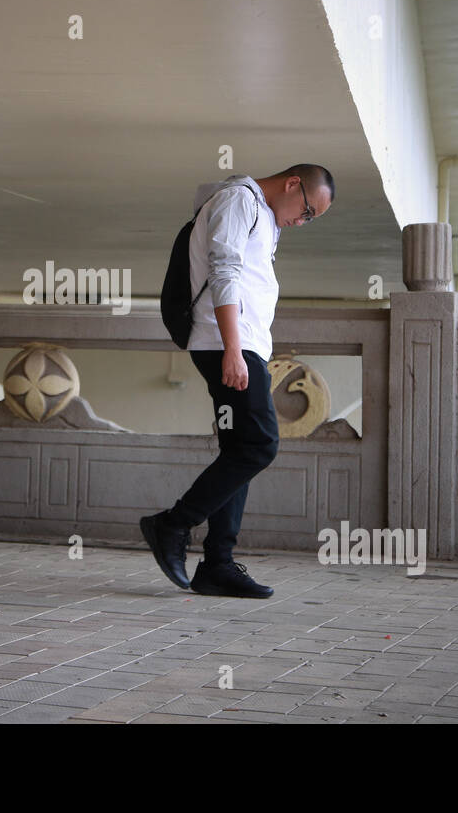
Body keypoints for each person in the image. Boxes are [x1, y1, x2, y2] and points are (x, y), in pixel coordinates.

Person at [141, 163, 335, 598]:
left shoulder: (263, 216)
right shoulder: (238, 200)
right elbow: (224, 270)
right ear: (291, 184)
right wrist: (233, 348)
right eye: (307, 211)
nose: (302, 221)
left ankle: (217, 565)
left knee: (239, 450)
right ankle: (172, 524)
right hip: (227, 345)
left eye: (310, 219)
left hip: (242, 346)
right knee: (259, 444)